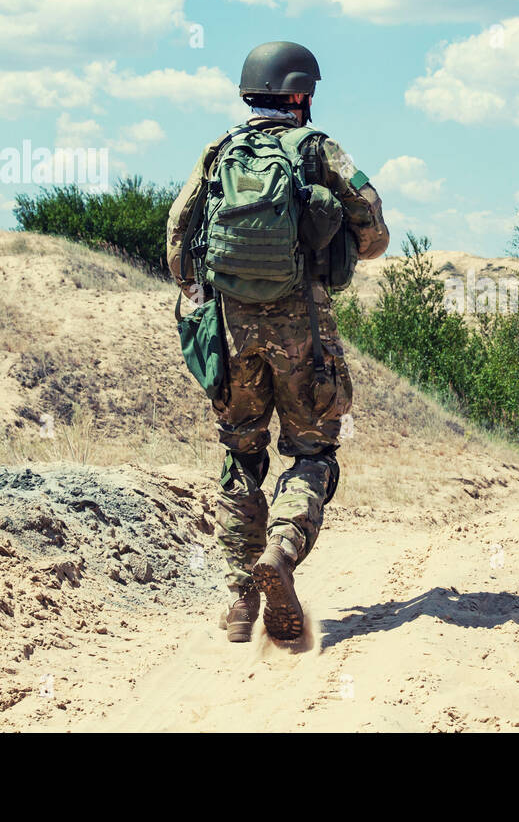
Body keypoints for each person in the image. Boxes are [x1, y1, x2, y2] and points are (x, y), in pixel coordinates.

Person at [168, 41, 389, 641]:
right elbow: (376, 232)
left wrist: (207, 302)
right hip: (306, 336)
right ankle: (282, 553)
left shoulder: (218, 154)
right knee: (313, 454)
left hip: (232, 337)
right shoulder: (317, 150)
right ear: (301, 93)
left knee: (242, 456)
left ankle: (241, 603)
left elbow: (177, 239)